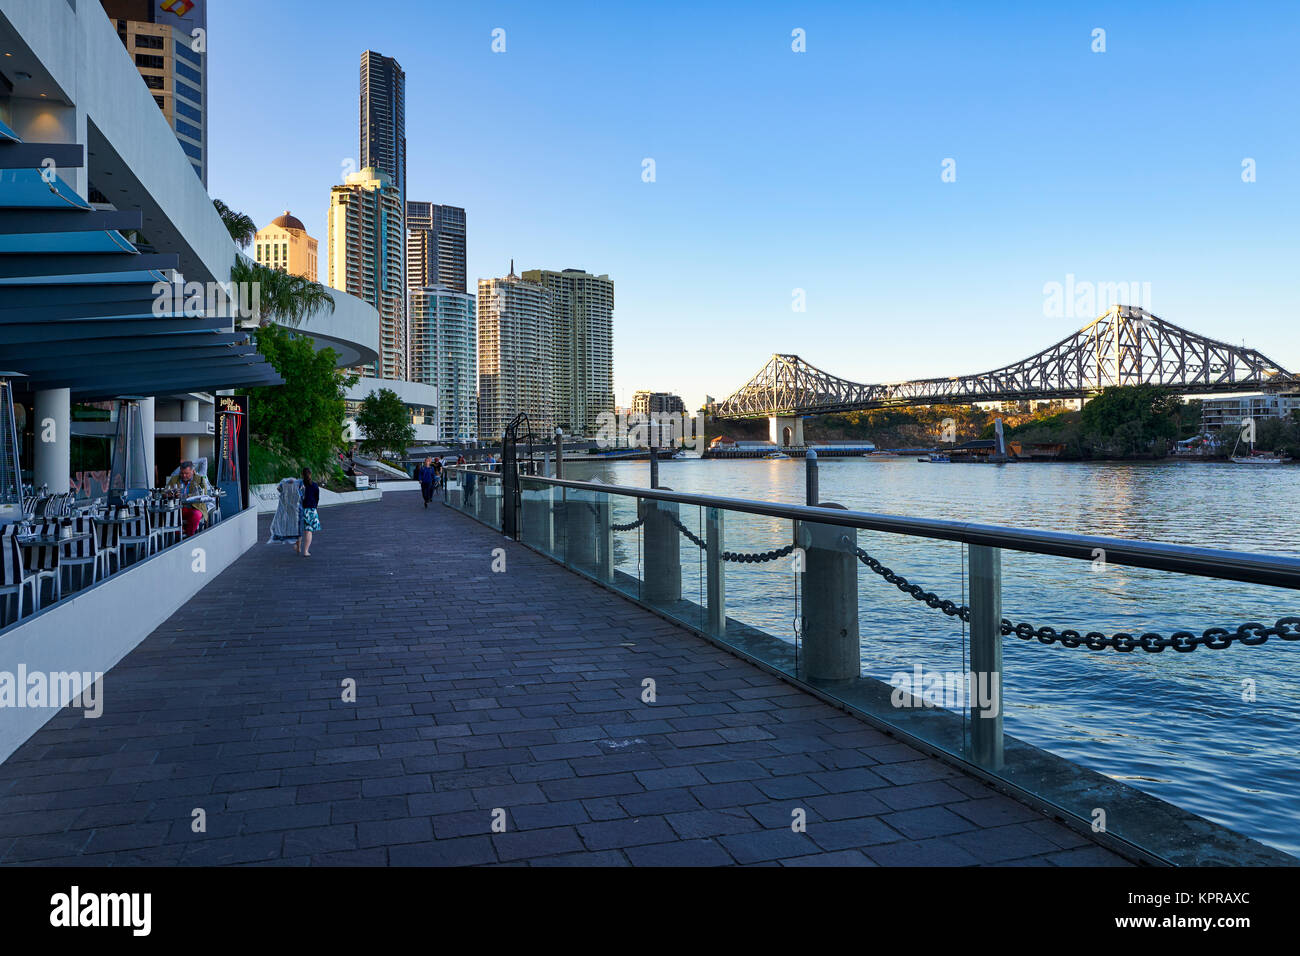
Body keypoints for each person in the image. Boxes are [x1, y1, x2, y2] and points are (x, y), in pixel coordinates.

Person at [166, 460, 214, 537]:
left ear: (193, 471)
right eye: (182, 473)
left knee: (196, 514)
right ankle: (180, 533)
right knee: (168, 514)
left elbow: (204, 493)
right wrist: (170, 494)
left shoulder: (200, 479)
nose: (184, 475)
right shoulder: (174, 479)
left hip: (195, 507)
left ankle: (189, 536)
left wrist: (188, 495)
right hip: (179, 508)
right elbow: (165, 491)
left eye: (186, 473)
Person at [268, 476, 302, 545]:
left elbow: (279, 489)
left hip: (284, 504)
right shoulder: (297, 483)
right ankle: (292, 534)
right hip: (293, 504)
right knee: (293, 519)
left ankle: (280, 534)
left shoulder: (283, 482)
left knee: (281, 519)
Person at [295, 467, 321, 556]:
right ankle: (305, 551)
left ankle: (298, 546)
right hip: (311, 510)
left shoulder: (299, 485)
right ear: (310, 474)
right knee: (308, 531)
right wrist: (315, 507)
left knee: (298, 529)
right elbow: (317, 498)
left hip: (300, 509)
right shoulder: (314, 485)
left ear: (302, 475)